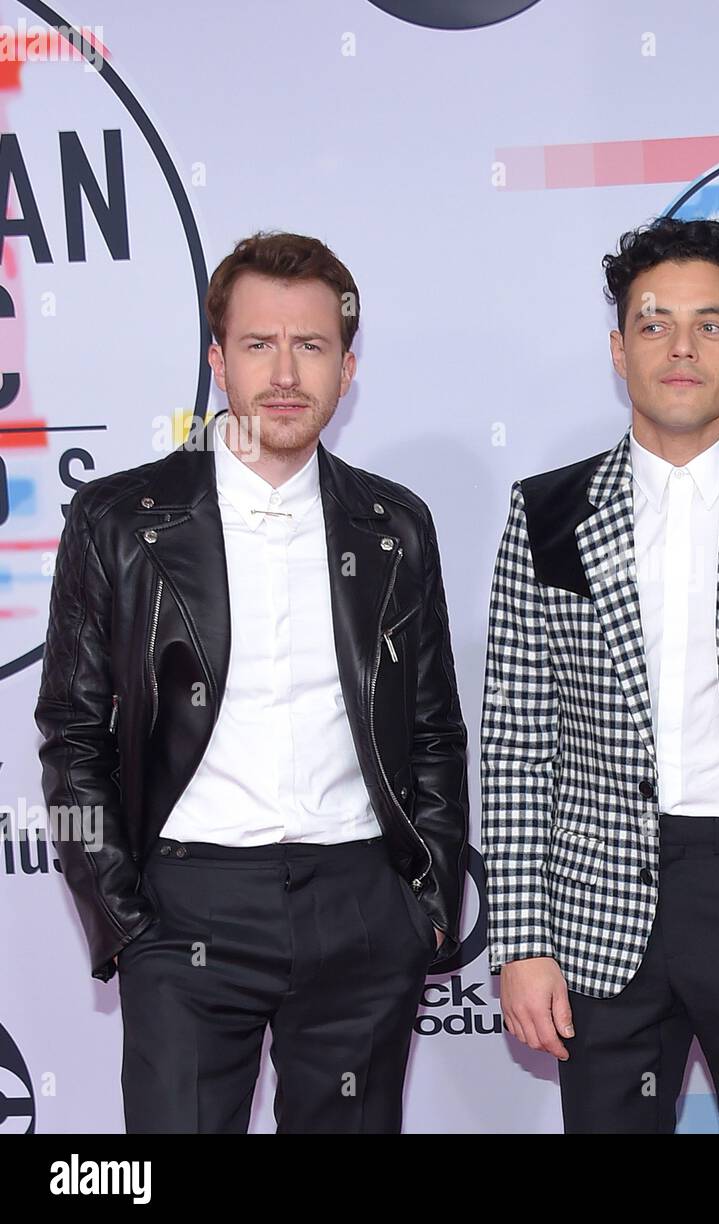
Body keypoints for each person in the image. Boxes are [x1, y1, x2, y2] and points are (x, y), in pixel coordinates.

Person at [35, 231, 469, 1133]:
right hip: (186, 909)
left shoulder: (394, 525)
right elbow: (71, 739)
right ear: (217, 362)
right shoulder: (119, 520)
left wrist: (421, 906)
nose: (283, 372)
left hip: (361, 909)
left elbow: (434, 732)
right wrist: (118, 913)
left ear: (347, 369)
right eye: (257, 344)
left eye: (310, 346)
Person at [481, 216, 719, 1133]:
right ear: (619, 348)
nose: (682, 347)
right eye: (655, 324)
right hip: (598, 893)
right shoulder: (548, 515)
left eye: (712, 324)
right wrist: (522, 942)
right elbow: (515, 744)